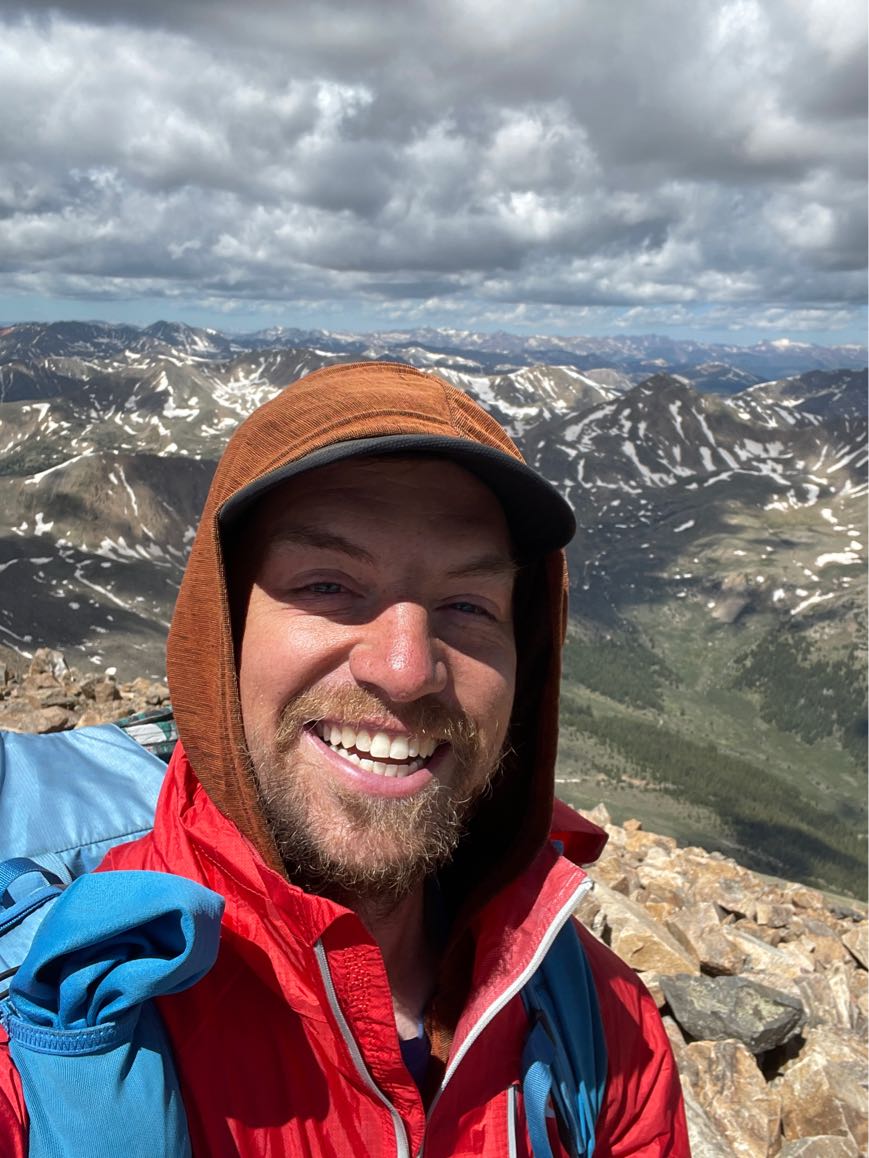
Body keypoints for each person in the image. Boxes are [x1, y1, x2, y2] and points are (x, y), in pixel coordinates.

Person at [0, 361, 689, 1155]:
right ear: (219, 640)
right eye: (328, 585)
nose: (404, 668)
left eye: (467, 605)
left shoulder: (604, 1036)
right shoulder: (56, 1015)